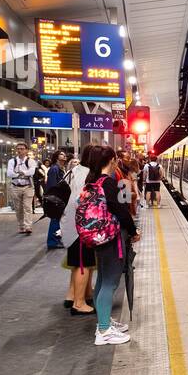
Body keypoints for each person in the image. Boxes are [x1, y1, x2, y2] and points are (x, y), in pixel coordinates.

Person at [79, 146, 138, 346]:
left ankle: (103, 322)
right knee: (110, 283)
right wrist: (133, 231)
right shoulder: (110, 183)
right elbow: (122, 212)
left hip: (99, 238)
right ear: (112, 160)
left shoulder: (92, 180)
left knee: (103, 279)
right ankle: (104, 331)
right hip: (112, 238)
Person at [61, 143, 98, 315]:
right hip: (81, 226)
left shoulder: (75, 170)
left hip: (71, 223)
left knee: (80, 263)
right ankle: (79, 303)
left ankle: (75, 296)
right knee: (83, 264)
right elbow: (81, 201)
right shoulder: (87, 174)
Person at [6, 142, 37, 234]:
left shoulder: (31, 161)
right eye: (18, 148)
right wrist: (23, 173)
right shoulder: (12, 161)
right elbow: (9, 173)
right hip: (15, 187)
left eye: (22, 149)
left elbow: (31, 172)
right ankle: (21, 226)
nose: (20, 150)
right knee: (18, 208)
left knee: (28, 207)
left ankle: (28, 226)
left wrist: (19, 172)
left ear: (26, 150)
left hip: (28, 187)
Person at [44, 150, 69, 250]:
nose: (64, 156)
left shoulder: (61, 169)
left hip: (60, 198)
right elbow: (52, 185)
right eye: (61, 154)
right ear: (56, 157)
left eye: (64, 154)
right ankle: (52, 242)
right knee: (55, 220)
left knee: (58, 220)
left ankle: (56, 240)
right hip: (55, 199)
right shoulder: (54, 169)